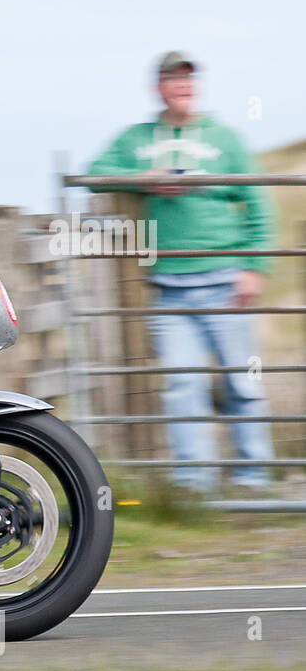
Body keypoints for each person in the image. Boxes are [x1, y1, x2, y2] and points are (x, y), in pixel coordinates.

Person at [88, 51, 277, 492]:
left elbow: (259, 204)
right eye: (174, 80)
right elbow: (96, 174)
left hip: (224, 280)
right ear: (160, 87)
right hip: (168, 287)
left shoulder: (225, 139)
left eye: (190, 80)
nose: (183, 87)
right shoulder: (137, 139)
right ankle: (195, 487)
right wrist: (144, 177)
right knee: (181, 383)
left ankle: (255, 479)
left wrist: (254, 267)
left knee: (241, 382)